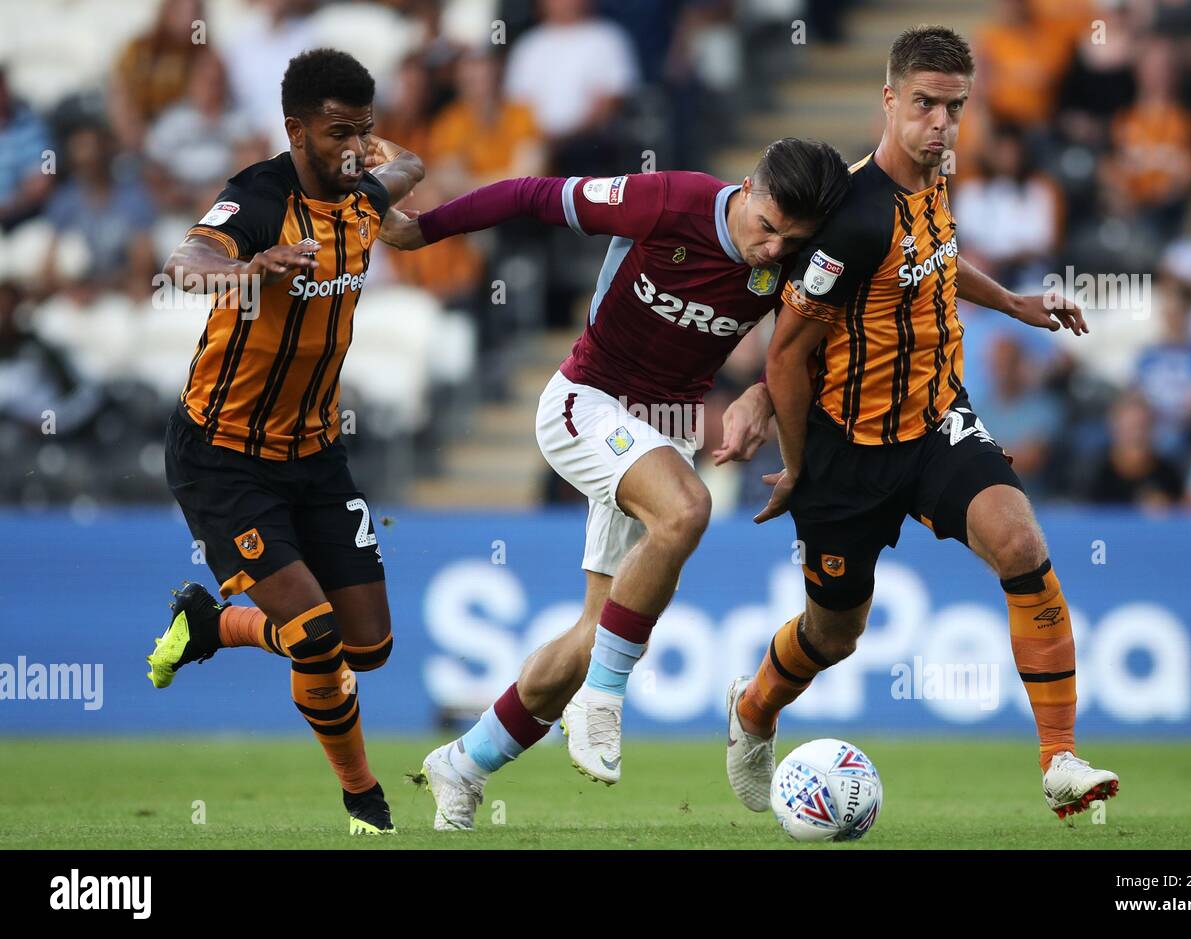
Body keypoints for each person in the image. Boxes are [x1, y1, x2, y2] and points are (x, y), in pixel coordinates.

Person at [380, 138, 850, 829]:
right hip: (586, 401)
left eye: (790, 240)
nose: (771, 249)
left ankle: (466, 760)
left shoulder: (797, 263)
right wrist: (423, 230)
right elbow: (529, 194)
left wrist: (756, 396)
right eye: (766, 226)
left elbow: (804, 348)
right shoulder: (668, 200)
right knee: (686, 510)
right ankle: (602, 698)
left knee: (596, 627)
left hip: (664, 431)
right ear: (746, 186)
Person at [725, 26, 1119, 822]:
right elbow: (786, 353)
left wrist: (1013, 302)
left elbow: (936, 259)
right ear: (889, 101)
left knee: (1021, 542)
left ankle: (1060, 760)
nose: (942, 124)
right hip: (847, 447)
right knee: (835, 634)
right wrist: (798, 464)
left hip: (938, 418)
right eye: (926, 106)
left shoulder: (940, 177)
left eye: (956, 107)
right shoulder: (851, 217)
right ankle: (754, 709)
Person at [142, 48, 424, 835]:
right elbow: (185, 262)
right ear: (295, 129)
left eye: (363, 131)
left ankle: (211, 624)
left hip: (316, 453)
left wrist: (378, 150)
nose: (351, 148)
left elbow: (415, 166)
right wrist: (249, 268)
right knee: (315, 636)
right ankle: (366, 800)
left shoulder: (364, 195)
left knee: (370, 648)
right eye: (337, 132)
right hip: (222, 452)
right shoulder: (259, 200)